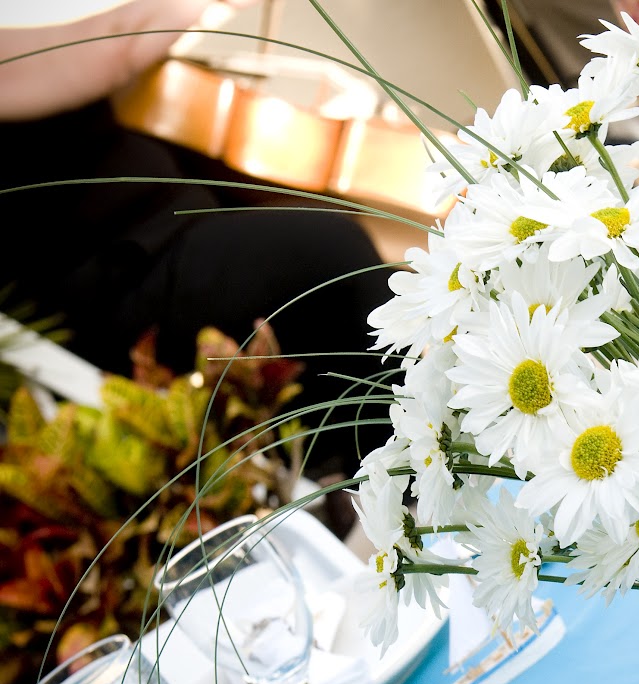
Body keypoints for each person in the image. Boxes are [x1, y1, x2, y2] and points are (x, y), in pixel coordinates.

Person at [0, 0, 393, 476]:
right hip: (116, 276)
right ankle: (405, 495)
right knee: (337, 259)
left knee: (343, 288)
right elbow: (105, 46)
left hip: (164, 229)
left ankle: (364, 485)